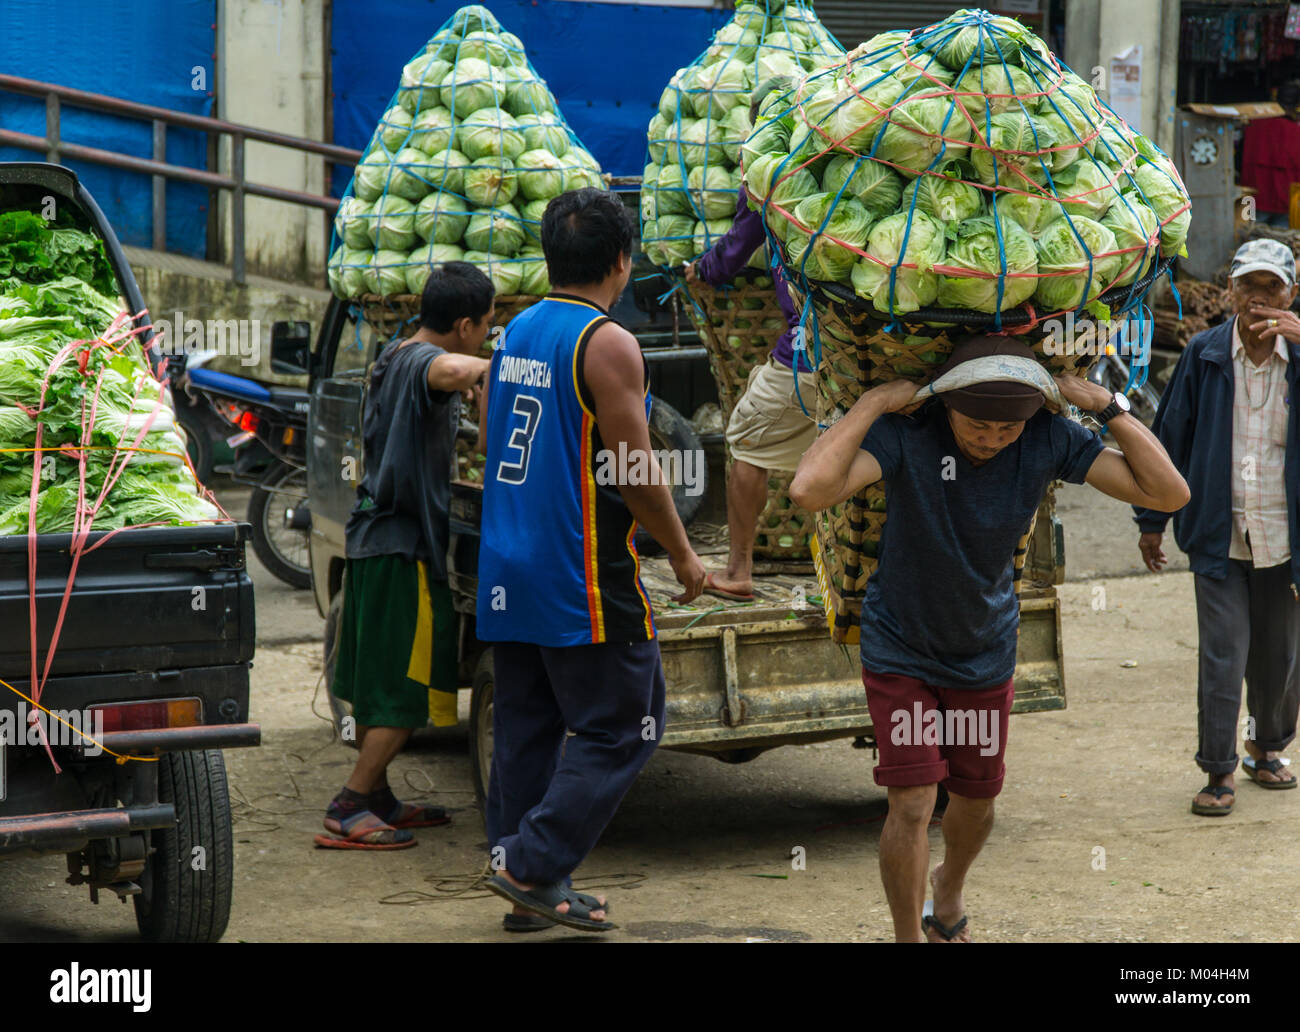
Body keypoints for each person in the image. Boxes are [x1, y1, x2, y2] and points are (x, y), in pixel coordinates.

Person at [791, 336, 1188, 942]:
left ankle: (948, 889)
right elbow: (809, 491)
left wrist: (1108, 405)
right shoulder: (910, 436)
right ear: (945, 404)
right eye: (977, 424)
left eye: (1006, 430)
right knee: (913, 801)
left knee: (974, 802)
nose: (991, 438)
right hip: (901, 648)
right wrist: (872, 404)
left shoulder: (1047, 440)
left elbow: (1169, 493)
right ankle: (907, 937)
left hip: (983, 651)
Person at [476, 188, 706, 932]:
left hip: (509, 570)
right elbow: (638, 476)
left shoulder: (512, 334)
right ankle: (531, 863)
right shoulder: (605, 342)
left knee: (528, 734)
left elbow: (489, 441)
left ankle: (530, 891)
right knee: (624, 723)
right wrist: (685, 557)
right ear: (622, 260)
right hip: (580, 577)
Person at [316, 262, 494, 850]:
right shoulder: (422, 362)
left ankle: (380, 797)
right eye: (487, 329)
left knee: (379, 681)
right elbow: (448, 367)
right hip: (400, 549)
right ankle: (349, 805)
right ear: (464, 325)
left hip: (375, 540)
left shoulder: (394, 353)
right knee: (404, 689)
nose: (488, 338)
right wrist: (507, 369)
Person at [1136, 238, 1300, 816]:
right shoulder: (1204, 356)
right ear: (1230, 292)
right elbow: (1167, 439)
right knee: (1224, 655)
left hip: (1286, 539)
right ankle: (1219, 769)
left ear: (1292, 294)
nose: (1258, 300)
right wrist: (1152, 518)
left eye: (1271, 287)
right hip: (1219, 531)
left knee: (1279, 656)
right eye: (1248, 286)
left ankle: (1266, 746)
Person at [684, 78, 812, 601]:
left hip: (808, 347)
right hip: (871, 346)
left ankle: (738, 570)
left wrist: (702, 270)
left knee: (745, 444)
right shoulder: (834, 165)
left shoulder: (769, 173)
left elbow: (737, 248)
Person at [1241, 80, 1300, 229]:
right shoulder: (1296, 132)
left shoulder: (1254, 126)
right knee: (1281, 245)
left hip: (1251, 199)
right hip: (1286, 202)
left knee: (1248, 241)